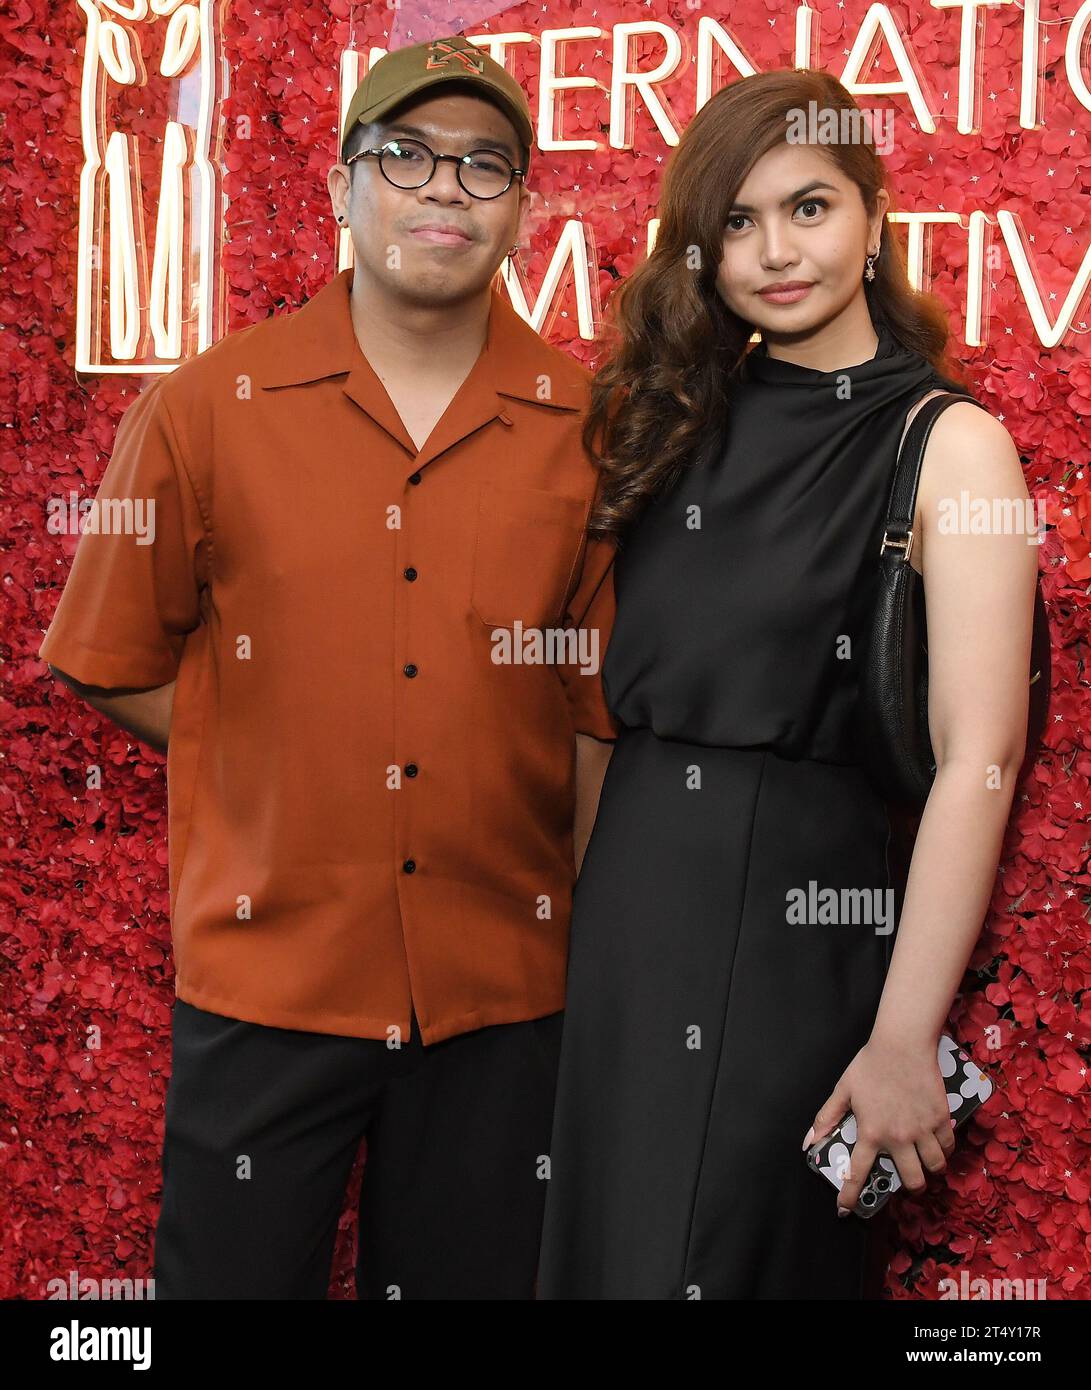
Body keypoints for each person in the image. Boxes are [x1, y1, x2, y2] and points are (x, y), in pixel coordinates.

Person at [38, 35, 618, 1300]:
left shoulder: (590, 430)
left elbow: (594, 718)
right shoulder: (205, 406)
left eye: (483, 166)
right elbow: (110, 655)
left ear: (524, 207)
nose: (441, 190)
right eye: (403, 155)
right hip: (267, 980)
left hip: (499, 997)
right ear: (343, 187)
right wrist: (272, 750)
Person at [536, 68, 1038, 1300]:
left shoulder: (945, 441)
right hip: (626, 929)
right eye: (737, 223)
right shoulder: (672, 418)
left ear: (872, 216)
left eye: (807, 208)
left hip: (790, 928)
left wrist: (902, 1032)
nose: (773, 252)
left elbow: (982, 754)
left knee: (720, 1261)